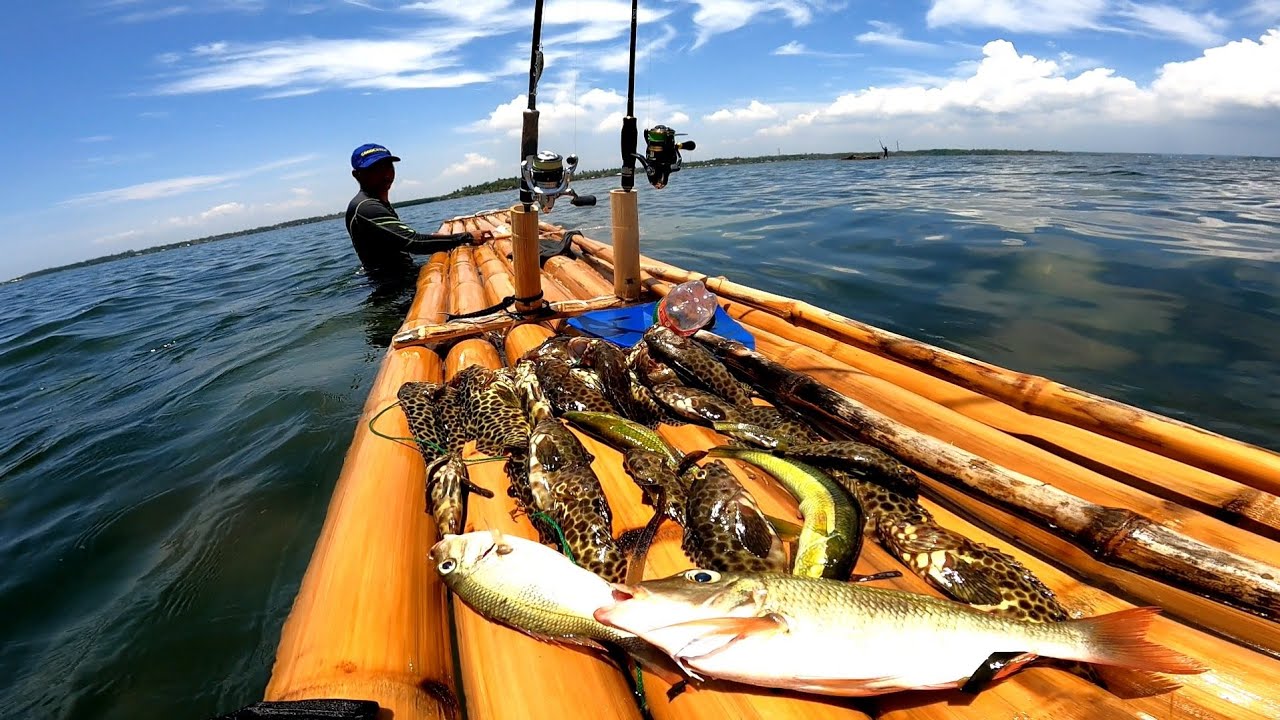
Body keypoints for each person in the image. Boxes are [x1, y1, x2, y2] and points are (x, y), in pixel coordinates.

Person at [344, 143, 475, 279]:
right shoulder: (366, 207)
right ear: (357, 175)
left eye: (388, 166)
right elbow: (413, 242)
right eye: (375, 169)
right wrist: (467, 237)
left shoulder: (375, 202)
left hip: (398, 276)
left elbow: (405, 239)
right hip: (392, 286)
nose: (385, 174)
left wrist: (438, 238)